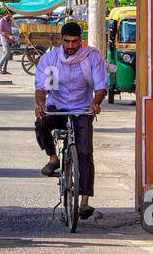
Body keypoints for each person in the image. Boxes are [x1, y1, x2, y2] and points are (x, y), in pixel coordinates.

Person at [33, 21, 106, 219]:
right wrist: (41, 105)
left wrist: (95, 102)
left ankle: (84, 202)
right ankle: (53, 158)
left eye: (75, 42)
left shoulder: (91, 57)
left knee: (84, 152)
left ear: (81, 41)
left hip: (82, 111)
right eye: (67, 41)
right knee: (41, 123)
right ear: (61, 41)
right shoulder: (51, 59)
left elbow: (101, 85)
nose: (71, 46)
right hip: (57, 109)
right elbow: (42, 88)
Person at [0, 10, 17, 75]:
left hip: (9, 40)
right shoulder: (1, 21)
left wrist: (12, 37)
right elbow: (0, 32)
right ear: (6, 14)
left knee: (7, 55)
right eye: (10, 14)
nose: (11, 16)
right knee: (7, 53)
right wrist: (9, 36)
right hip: (4, 40)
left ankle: (4, 70)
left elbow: (10, 30)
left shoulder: (9, 21)